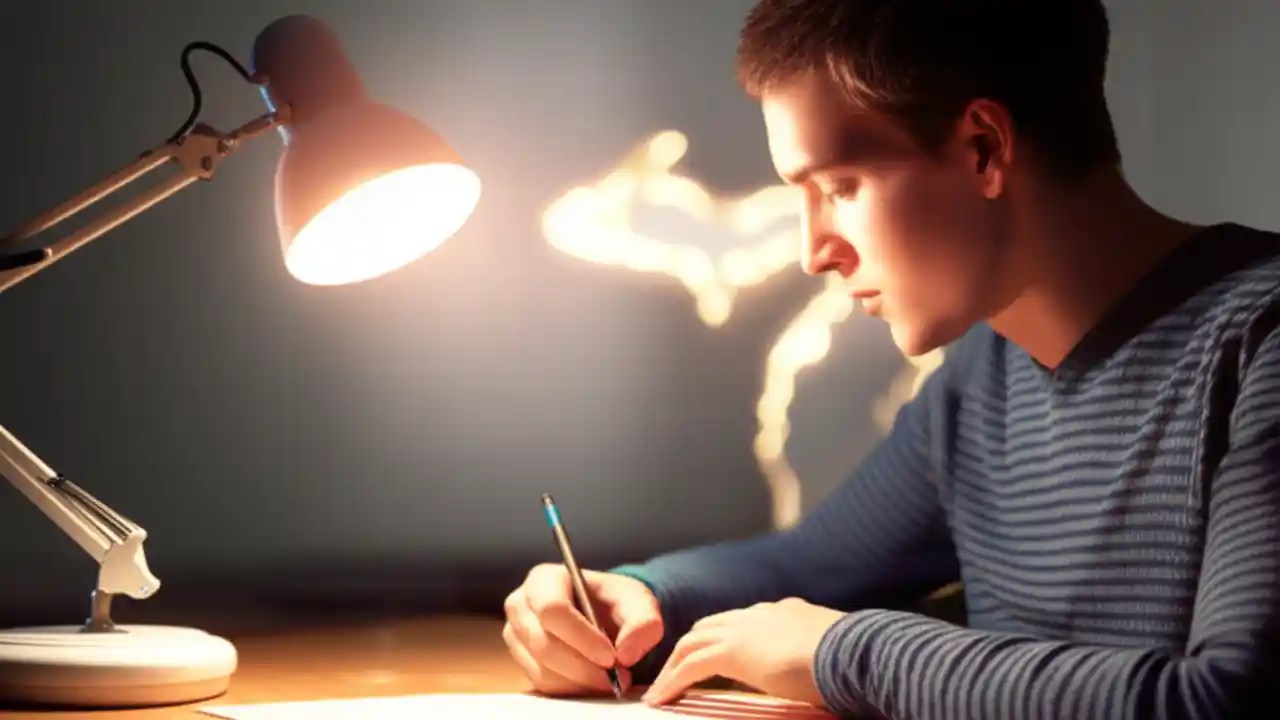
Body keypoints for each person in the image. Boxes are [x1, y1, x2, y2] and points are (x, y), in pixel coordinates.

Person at [502, 1, 1280, 717]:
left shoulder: (1260, 344)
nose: (814, 252)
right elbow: (808, 564)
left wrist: (845, 651)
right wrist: (630, 600)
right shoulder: (983, 382)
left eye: (839, 186)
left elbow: (1224, 700)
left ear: (983, 148)